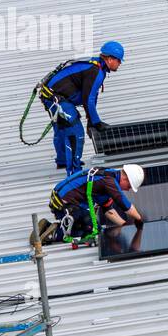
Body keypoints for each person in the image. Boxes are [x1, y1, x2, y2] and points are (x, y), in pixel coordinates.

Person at [36, 41, 125, 174]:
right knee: (75, 131)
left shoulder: (96, 67)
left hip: (51, 94)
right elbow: (88, 99)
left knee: (62, 126)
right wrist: (96, 122)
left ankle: (63, 160)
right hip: (56, 97)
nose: (120, 63)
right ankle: (73, 172)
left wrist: (91, 121)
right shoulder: (96, 71)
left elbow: (91, 96)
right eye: (119, 60)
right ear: (110, 59)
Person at [33, 163, 145, 245]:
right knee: (92, 230)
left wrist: (124, 224)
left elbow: (108, 210)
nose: (128, 190)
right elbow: (124, 204)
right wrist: (139, 219)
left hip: (63, 203)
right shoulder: (109, 180)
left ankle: (47, 226)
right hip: (66, 205)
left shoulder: (107, 176)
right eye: (129, 186)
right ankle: (55, 233)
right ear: (126, 179)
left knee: (98, 230)